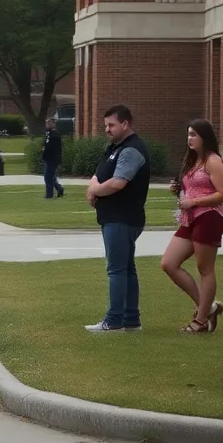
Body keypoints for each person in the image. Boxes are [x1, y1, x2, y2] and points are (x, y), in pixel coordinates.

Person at [83, 104, 150, 333]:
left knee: (117, 270)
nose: (107, 130)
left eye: (111, 125)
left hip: (122, 218)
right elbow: (100, 174)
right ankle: (131, 319)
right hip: (114, 217)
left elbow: (118, 182)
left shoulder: (131, 149)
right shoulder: (114, 147)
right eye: (106, 126)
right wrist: (95, 186)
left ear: (125, 124)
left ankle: (114, 321)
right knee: (126, 268)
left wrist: (95, 190)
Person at [162, 118, 223, 332]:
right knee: (169, 263)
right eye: (188, 134)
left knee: (205, 269)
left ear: (204, 137)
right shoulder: (193, 160)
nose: (189, 139)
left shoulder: (212, 160)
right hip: (190, 218)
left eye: (194, 135)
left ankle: (201, 321)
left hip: (209, 216)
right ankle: (208, 307)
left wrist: (195, 201)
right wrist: (178, 189)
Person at [41, 117, 65, 199]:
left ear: (53, 124)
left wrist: (45, 149)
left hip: (53, 159)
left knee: (48, 177)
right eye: (47, 123)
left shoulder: (55, 135)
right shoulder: (48, 134)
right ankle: (59, 188)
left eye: (50, 123)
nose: (48, 125)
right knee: (51, 176)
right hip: (48, 158)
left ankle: (49, 194)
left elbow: (54, 148)